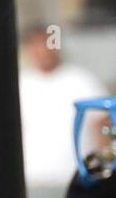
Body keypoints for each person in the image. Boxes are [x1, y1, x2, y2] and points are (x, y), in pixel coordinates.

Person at [17, 24, 109, 186]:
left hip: (76, 179)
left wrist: (98, 172)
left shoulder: (81, 81)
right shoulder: (20, 84)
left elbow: (102, 126)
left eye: (46, 43)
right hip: (32, 180)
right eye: (35, 44)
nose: (42, 50)